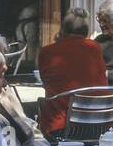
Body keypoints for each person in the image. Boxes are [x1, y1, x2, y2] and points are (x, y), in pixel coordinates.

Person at [36, 8, 108, 137]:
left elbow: (45, 80)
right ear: (86, 30)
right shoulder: (95, 48)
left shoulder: (47, 52)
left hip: (62, 127)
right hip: (98, 124)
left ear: (63, 28)